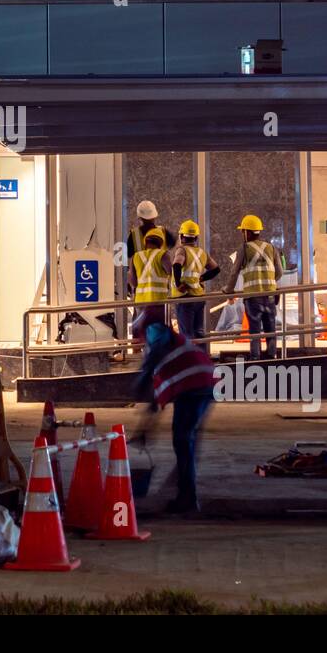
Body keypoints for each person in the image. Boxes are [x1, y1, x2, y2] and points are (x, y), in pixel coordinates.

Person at [134, 321, 216, 515]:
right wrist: (145, 429)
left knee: (183, 440)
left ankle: (187, 497)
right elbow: (157, 400)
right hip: (205, 381)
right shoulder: (171, 344)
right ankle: (184, 483)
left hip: (192, 385)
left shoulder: (153, 332)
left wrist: (144, 375)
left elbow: (157, 350)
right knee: (187, 439)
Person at [224, 213, 284, 360]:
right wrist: (268, 281)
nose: (242, 234)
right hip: (270, 295)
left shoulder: (244, 249)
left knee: (255, 330)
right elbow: (280, 272)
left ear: (247, 232)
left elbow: (234, 273)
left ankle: (255, 357)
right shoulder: (271, 247)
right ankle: (271, 356)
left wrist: (229, 290)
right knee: (270, 328)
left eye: (242, 231)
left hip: (253, 298)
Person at [168, 219, 219, 347]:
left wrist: (179, 284)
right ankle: (202, 358)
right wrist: (201, 279)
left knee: (187, 334)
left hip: (185, 298)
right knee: (199, 332)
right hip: (199, 297)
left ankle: (190, 362)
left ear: (181, 236)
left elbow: (176, 265)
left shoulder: (182, 250)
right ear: (196, 237)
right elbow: (216, 269)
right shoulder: (202, 253)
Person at [128, 227, 173, 337]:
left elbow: (133, 282)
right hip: (158, 301)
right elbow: (172, 273)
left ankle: (137, 351)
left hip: (141, 301)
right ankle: (160, 352)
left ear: (145, 242)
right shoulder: (163, 255)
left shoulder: (136, 256)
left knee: (141, 331)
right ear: (161, 242)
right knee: (161, 331)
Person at [126, 200, 172, 268]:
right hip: (161, 277)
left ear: (140, 217)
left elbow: (129, 256)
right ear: (154, 216)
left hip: (141, 277)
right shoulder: (163, 232)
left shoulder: (134, 235)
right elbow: (173, 245)